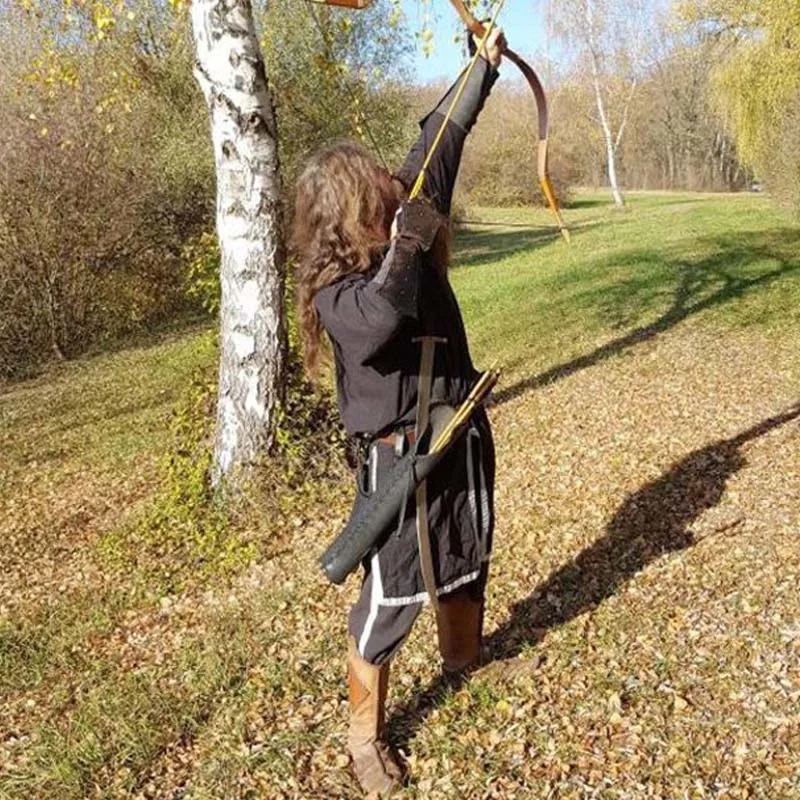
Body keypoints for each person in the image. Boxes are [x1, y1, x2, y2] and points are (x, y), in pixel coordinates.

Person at [292, 28, 505, 798]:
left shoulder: (405, 213)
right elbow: (384, 316)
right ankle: (364, 741)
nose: (393, 189)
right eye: (372, 192)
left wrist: (480, 66)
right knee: (390, 598)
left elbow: (441, 138)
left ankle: (463, 662)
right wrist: (409, 245)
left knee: (467, 559)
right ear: (344, 214)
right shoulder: (335, 294)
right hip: (400, 463)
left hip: (461, 436)